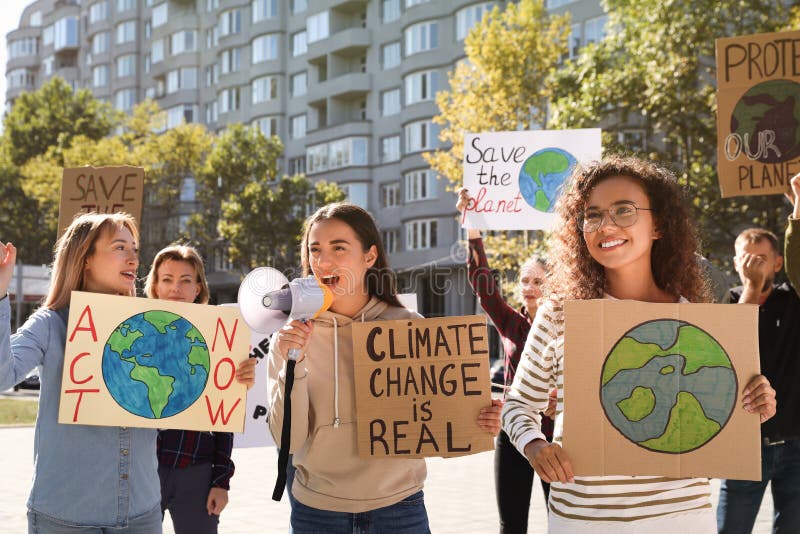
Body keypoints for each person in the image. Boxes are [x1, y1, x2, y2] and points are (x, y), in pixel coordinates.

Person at [501, 156, 777, 533]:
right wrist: (535, 446)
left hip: (682, 520)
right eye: (592, 214)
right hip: (584, 521)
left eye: (623, 210)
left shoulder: (695, 321)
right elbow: (517, 405)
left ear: (660, 224)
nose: (606, 225)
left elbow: (720, 422)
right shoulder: (559, 315)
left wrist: (755, 404)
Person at [268, 202, 502, 533]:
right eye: (315, 249)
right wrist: (295, 364)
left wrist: (477, 416)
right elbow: (287, 440)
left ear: (370, 256)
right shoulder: (290, 337)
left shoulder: (410, 327)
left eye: (339, 248)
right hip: (318, 512)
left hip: (399, 510)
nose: (323, 261)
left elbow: (438, 420)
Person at [0, 213, 163, 533]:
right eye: (120, 247)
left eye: (135, 249)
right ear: (85, 258)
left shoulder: (152, 328)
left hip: (140, 514)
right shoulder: (49, 323)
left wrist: (231, 381)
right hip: (65, 516)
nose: (133, 258)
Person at [457, 188, 555, 534]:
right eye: (524, 280)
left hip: (554, 439)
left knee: (563, 522)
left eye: (537, 281)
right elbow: (483, 285)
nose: (528, 286)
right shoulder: (511, 322)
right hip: (513, 434)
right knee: (510, 524)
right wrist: (472, 227)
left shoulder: (567, 324)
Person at [144, 245, 256, 534]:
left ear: (198, 288)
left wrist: (220, 480)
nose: (175, 288)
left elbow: (223, 419)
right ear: (154, 285)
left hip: (196, 470)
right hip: (141, 470)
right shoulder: (132, 332)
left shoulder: (218, 336)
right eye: (167, 279)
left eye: (185, 280)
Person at [716, 174, 800, 533]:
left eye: (761, 259)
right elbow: (730, 345)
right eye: (746, 260)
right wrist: (750, 287)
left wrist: (797, 205)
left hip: (795, 443)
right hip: (744, 447)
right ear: (735, 263)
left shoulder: (792, 299)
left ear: (778, 263)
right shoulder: (729, 302)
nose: (754, 266)